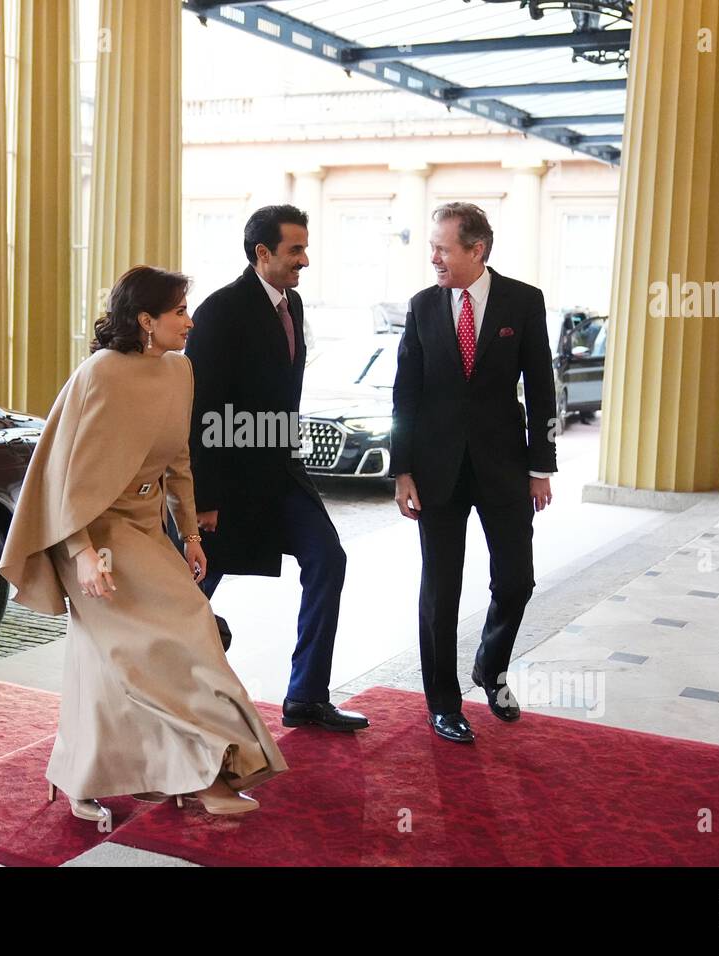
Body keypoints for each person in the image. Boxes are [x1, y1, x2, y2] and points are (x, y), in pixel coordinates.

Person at [0, 265, 287, 824]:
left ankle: (93, 773)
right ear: (145, 320)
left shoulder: (179, 371)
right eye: (180, 310)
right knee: (183, 635)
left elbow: (179, 460)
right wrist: (81, 553)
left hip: (146, 527)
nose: (191, 320)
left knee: (110, 658)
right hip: (92, 530)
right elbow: (66, 475)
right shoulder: (101, 373)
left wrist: (191, 535)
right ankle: (210, 770)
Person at [184, 205, 368, 733]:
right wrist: (204, 501)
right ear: (262, 253)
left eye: (305, 249)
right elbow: (203, 411)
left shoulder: (294, 304)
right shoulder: (220, 311)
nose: (304, 260)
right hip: (229, 481)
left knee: (328, 559)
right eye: (295, 250)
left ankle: (307, 696)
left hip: (283, 472)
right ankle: (154, 696)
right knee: (191, 588)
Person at [391, 203, 558, 744]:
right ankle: (443, 702)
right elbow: (405, 393)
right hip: (435, 470)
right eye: (432, 248)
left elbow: (540, 389)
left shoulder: (523, 301)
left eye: (443, 248)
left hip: (505, 466)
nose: (434, 258)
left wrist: (540, 467)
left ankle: (490, 664)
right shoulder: (421, 306)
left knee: (516, 579)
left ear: (476, 250)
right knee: (440, 589)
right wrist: (402, 470)